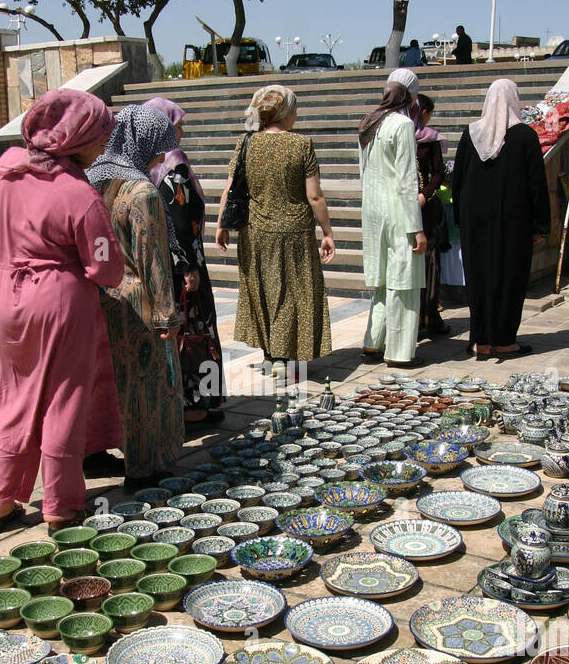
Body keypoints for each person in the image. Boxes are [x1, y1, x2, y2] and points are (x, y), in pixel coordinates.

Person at [0, 89, 124, 535]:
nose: (103, 145)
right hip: (58, 302)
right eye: (99, 136)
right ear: (76, 138)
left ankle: (1, 502)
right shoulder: (78, 193)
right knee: (63, 398)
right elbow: (106, 269)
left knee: (14, 396)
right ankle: (61, 506)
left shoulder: (2, 168)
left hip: (5, 296)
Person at [87, 105, 185, 489]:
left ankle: (100, 455)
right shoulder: (141, 192)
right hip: (138, 303)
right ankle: (144, 469)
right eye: (161, 145)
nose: (163, 155)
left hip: (102, 297)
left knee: (113, 385)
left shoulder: (92, 181)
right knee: (145, 388)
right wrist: (167, 315)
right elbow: (154, 260)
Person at [216, 84, 335, 380]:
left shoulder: (246, 143)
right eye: (294, 109)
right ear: (285, 113)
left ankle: (271, 355)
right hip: (294, 231)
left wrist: (220, 224)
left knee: (263, 290)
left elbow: (230, 188)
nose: (297, 114)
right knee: (290, 292)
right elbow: (315, 196)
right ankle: (281, 356)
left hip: (254, 230)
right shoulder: (301, 144)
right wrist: (328, 232)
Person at [451, 77, 549, 359]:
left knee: (479, 277)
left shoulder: (471, 135)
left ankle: (480, 340)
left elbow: (458, 179)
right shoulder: (525, 136)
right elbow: (536, 184)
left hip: (475, 222)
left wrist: (460, 218)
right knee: (508, 276)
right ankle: (503, 340)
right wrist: (540, 224)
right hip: (513, 223)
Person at [145, 96, 225, 427]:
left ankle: (188, 400)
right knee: (197, 333)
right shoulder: (174, 166)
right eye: (177, 124)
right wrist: (190, 265)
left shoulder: (151, 163)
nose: (182, 130)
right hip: (185, 263)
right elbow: (182, 219)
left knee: (188, 334)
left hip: (170, 262)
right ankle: (196, 403)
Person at [358, 68, 427, 367]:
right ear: (410, 97)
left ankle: (374, 342)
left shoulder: (369, 122)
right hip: (398, 213)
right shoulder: (401, 125)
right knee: (403, 281)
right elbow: (406, 180)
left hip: (373, 211)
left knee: (384, 281)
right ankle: (398, 351)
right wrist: (416, 227)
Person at [415, 93, 451, 337]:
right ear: (424, 112)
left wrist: (424, 195)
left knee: (429, 265)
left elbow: (439, 173)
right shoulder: (399, 134)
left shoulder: (430, 139)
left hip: (426, 211)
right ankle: (415, 319)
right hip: (403, 209)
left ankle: (430, 315)